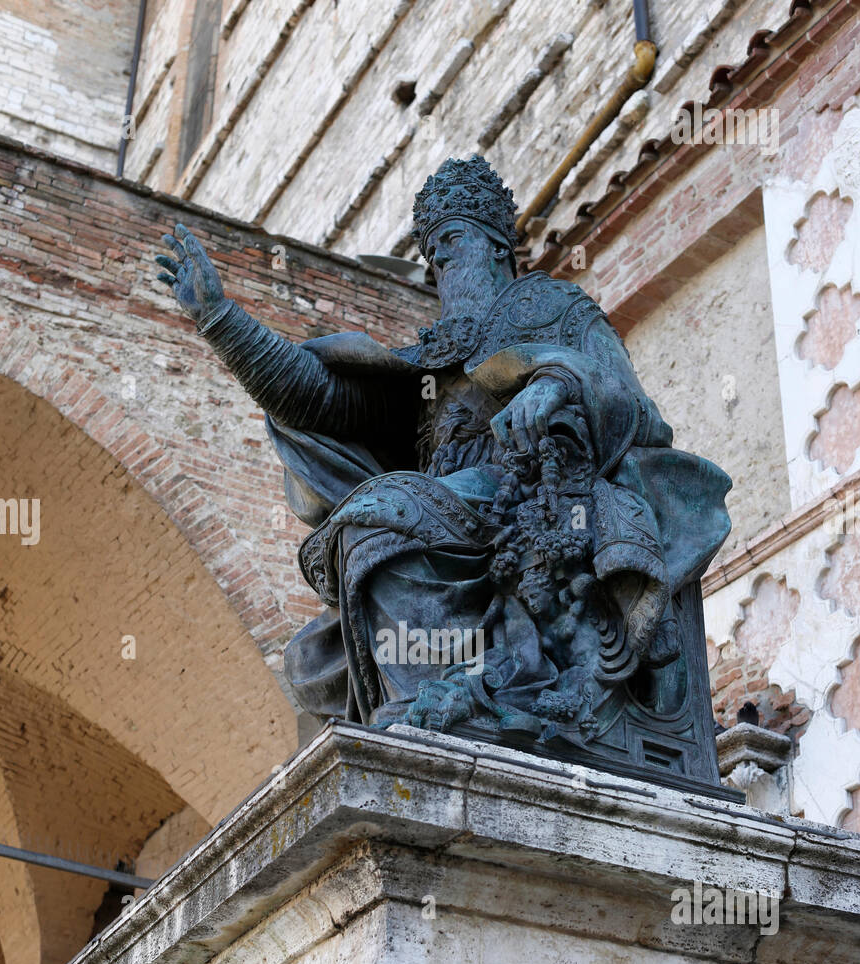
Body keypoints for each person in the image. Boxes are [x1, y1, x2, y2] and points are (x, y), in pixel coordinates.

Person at [155, 156, 730, 773]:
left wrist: (553, 385)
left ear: (498, 246)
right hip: (453, 507)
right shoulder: (433, 360)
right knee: (314, 642)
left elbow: (630, 402)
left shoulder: (554, 307)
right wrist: (220, 319)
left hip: (530, 490)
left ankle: (447, 701)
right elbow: (319, 397)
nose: (440, 266)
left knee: (378, 516)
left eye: (450, 243)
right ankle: (430, 698)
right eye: (430, 256)